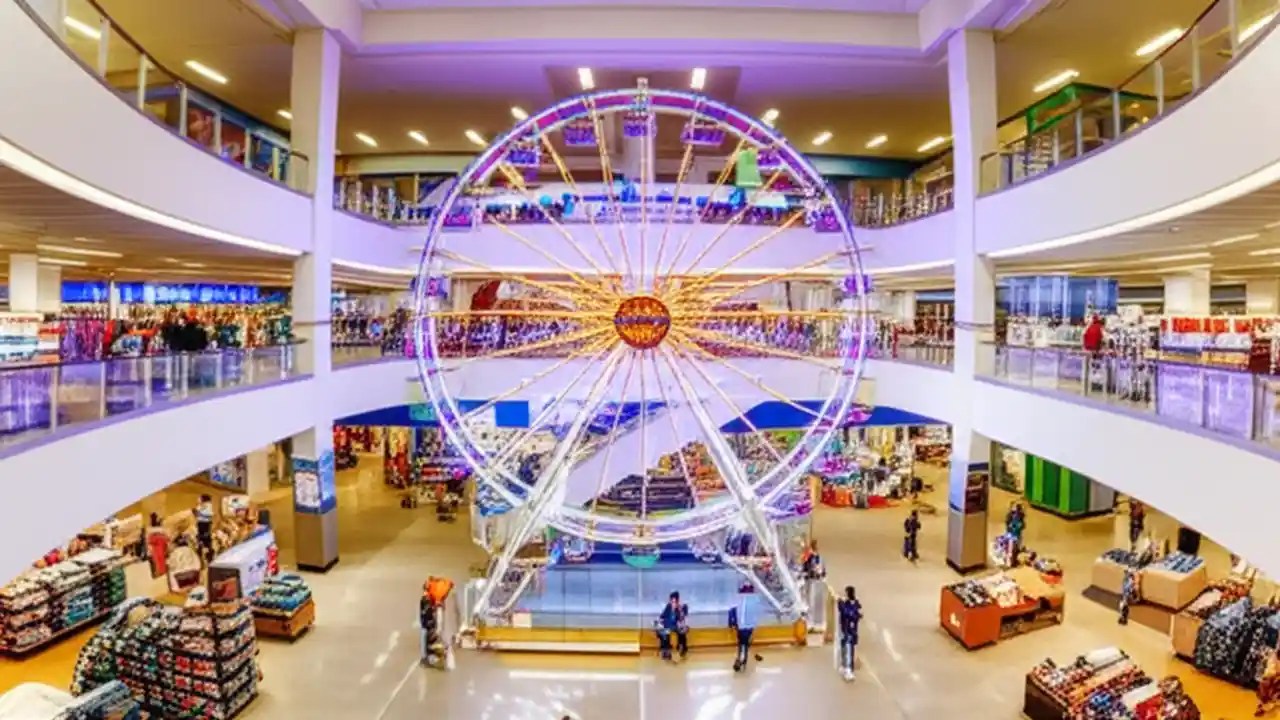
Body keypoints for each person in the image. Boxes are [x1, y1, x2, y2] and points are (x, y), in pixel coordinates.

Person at [728, 583, 763, 672]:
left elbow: (732, 611)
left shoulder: (740, 600)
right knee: (745, 643)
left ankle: (741, 660)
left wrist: (731, 623)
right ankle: (742, 659)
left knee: (744, 643)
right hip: (744, 626)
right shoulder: (751, 600)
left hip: (743, 626)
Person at [837, 586, 861, 681]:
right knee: (844, 647)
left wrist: (841, 603)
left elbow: (848, 613)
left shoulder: (851, 604)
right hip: (845, 629)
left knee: (849, 649)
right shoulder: (849, 603)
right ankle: (844, 666)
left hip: (850, 630)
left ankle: (848, 669)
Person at [656, 591, 686, 660]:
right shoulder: (668, 606)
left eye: (674, 601)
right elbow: (662, 615)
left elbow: (681, 619)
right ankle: (666, 652)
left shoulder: (679, 608)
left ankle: (681, 649)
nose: (673, 603)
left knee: (681, 633)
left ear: (677, 600)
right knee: (664, 632)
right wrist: (660, 620)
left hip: (674, 626)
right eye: (671, 601)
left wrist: (678, 610)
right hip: (667, 625)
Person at [194, 494, 214, 563]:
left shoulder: (207, 505)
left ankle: (209, 556)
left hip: (204, 524)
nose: (197, 500)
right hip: (200, 524)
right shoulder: (201, 506)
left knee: (205, 541)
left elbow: (209, 514)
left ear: (203, 499)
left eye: (199, 498)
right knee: (200, 541)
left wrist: (199, 512)